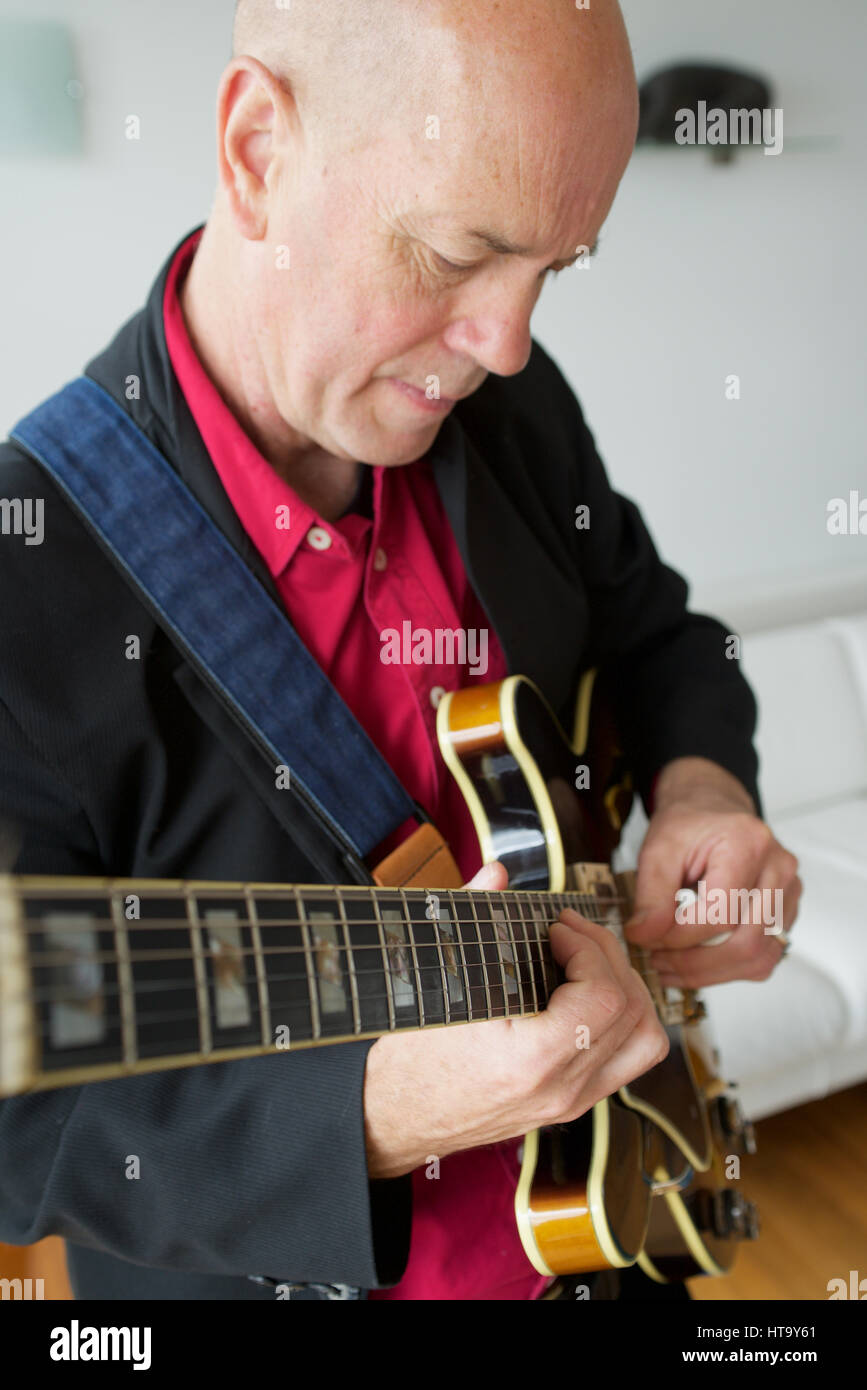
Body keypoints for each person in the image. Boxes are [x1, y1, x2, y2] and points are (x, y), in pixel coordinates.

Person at [0, 0, 801, 1301]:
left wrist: (707, 790)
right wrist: (369, 1112)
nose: (510, 342)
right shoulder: (24, 576)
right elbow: (24, 1122)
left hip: (611, 1234)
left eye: (560, 266)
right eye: (453, 252)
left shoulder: (516, 409)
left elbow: (663, 630)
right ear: (260, 148)